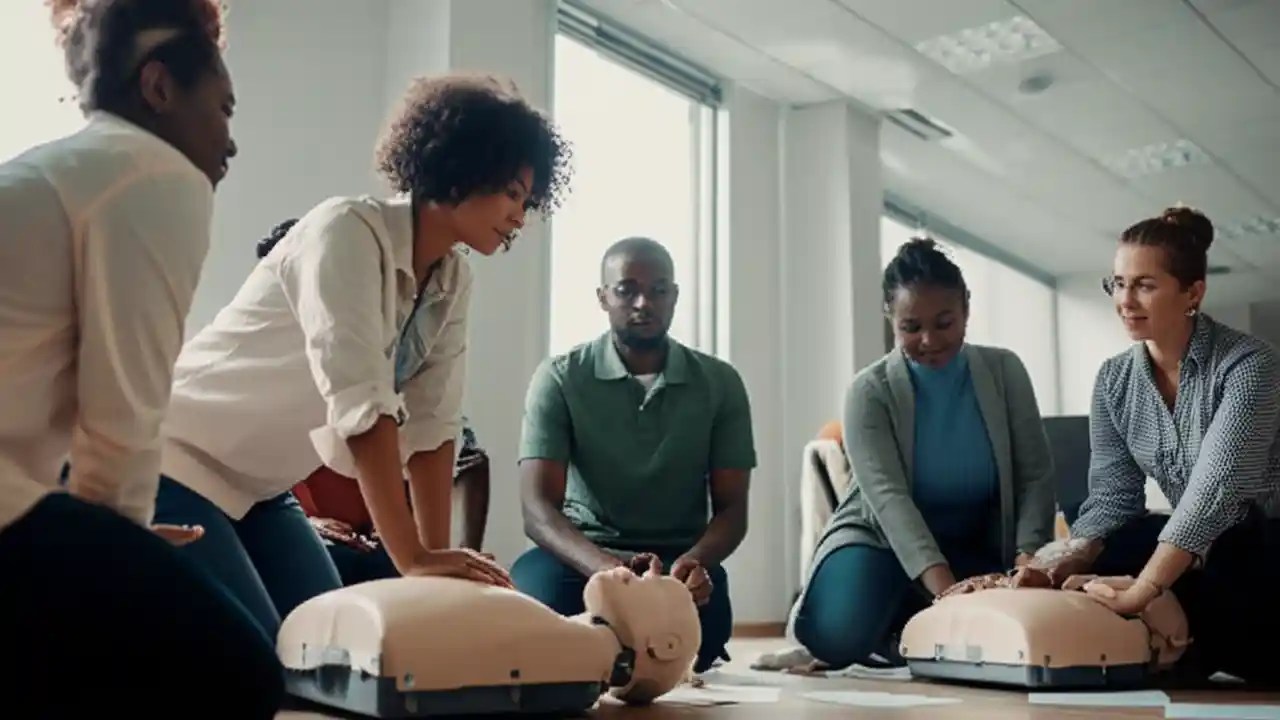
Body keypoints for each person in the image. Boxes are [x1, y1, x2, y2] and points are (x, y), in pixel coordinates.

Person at [150, 74, 572, 641]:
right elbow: (362, 404)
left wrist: (437, 561)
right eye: (513, 194)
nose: (521, 216)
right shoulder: (343, 230)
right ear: (465, 166)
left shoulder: (452, 278)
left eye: (528, 200)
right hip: (175, 462)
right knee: (251, 658)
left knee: (332, 649)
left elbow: (433, 424)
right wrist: (412, 557)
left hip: (264, 494)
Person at [0, 0, 283, 715]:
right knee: (237, 674)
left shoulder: (62, 169)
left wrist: (107, 538)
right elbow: (122, 417)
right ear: (158, 89)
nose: (232, 141)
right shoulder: (155, 173)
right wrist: (115, 547)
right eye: (223, 107)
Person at [1025, 207, 1280, 685]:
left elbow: (1214, 496)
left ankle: (1193, 637)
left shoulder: (1249, 365)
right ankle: (1176, 637)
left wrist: (1141, 590)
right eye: (1118, 283)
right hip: (1203, 551)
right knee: (1114, 542)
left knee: (1233, 536)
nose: (1125, 300)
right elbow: (1112, 498)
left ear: (1193, 292)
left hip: (1261, 544)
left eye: (1144, 285)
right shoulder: (1115, 379)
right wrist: (1059, 562)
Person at [790, 238, 1056, 670]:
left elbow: (1035, 476)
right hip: (881, 539)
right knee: (836, 638)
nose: (929, 340)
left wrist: (1029, 564)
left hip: (975, 542)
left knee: (1009, 633)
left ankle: (906, 626)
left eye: (944, 322)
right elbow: (889, 500)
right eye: (911, 327)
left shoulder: (1005, 371)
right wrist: (947, 595)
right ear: (890, 319)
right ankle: (898, 618)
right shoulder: (868, 391)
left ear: (966, 309)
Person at [513, 237, 757, 674]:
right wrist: (611, 572)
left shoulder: (720, 383)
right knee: (536, 619)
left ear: (675, 297)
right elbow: (537, 511)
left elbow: (733, 509)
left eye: (659, 289)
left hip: (678, 569)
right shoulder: (560, 378)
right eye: (626, 289)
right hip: (584, 558)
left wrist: (694, 563)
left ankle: (615, 650)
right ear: (603, 298)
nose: (644, 302)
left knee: (698, 646)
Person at [256, 218, 493, 587]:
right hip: (303, 527)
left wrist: (428, 548)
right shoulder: (270, 378)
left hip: (380, 538)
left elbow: (461, 454)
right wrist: (310, 523)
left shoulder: (395, 364)